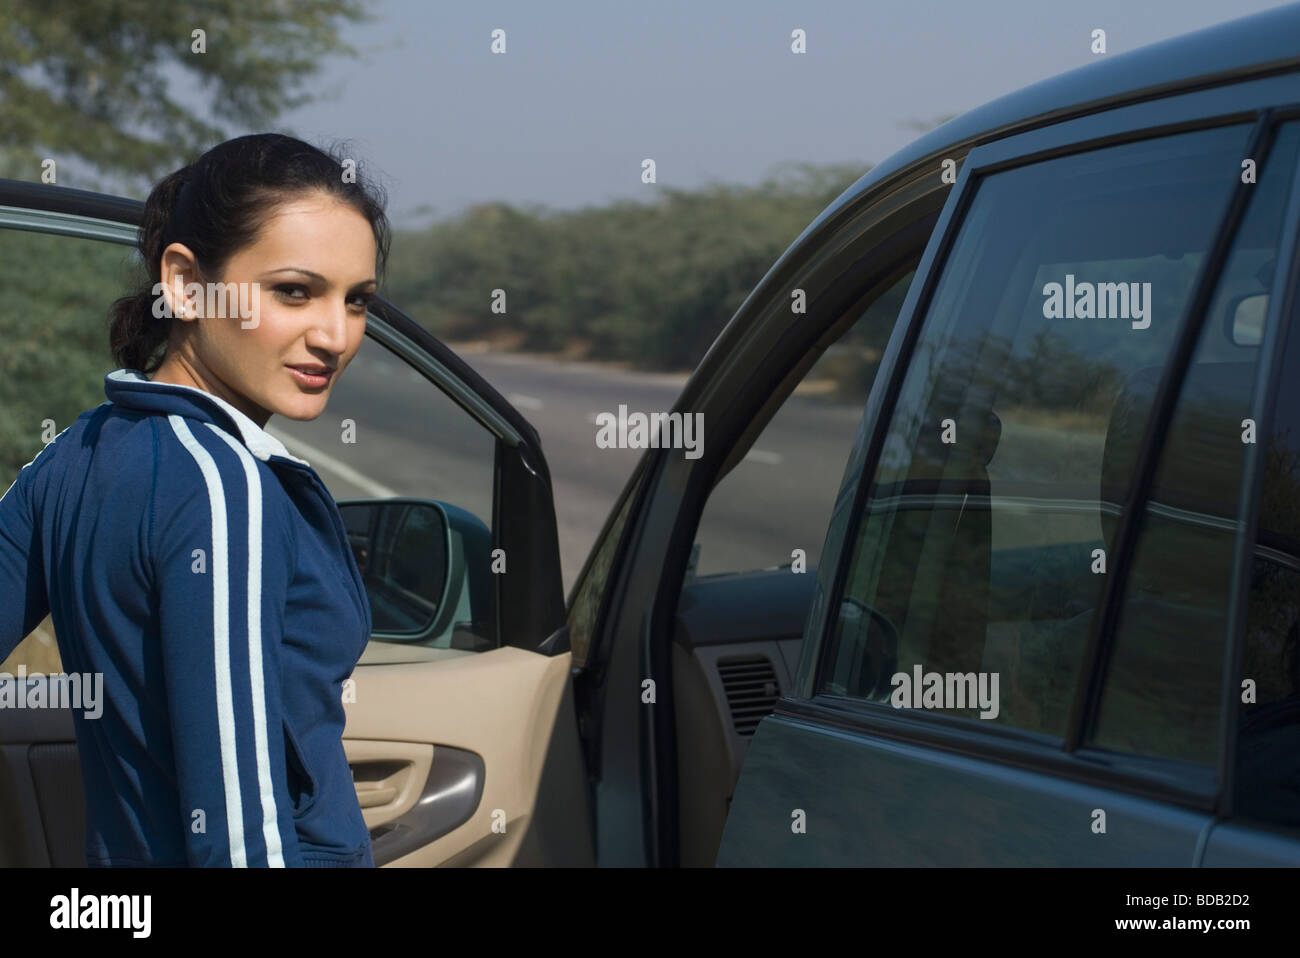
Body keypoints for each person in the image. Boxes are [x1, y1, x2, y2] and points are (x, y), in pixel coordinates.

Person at [0, 132, 389, 867]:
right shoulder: (223, 486)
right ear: (183, 282)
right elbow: (239, 835)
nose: (335, 336)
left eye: (358, 301)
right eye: (294, 292)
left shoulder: (76, 451)